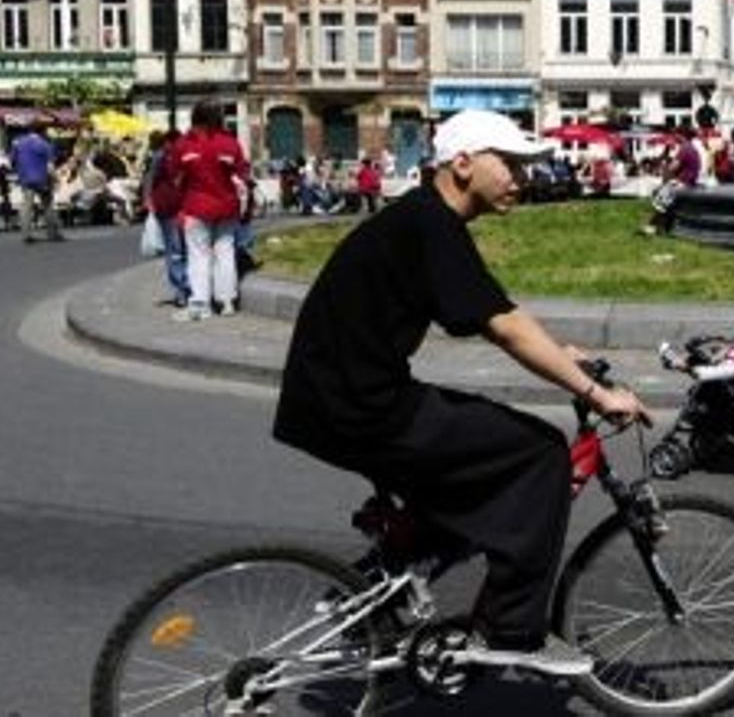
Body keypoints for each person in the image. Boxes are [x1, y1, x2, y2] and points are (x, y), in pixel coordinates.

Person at [272, 108, 649, 677]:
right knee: (539, 453)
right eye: (512, 164)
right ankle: (514, 632)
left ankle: (382, 579)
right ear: (463, 163)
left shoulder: (422, 219)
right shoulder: (432, 225)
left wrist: (558, 353)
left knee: (470, 467)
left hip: (334, 399)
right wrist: (596, 394)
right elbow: (504, 326)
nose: (522, 178)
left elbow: (488, 312)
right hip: (363, 407)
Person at [172, 100, 249, 321]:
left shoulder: (184, 145)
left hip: (196, 206)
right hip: (227, 206)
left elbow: (176, 179)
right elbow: (242, 173)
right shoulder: (230, 143)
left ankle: (200, 304)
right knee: (225, 251)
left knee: (199, 255)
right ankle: (226, 302)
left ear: (194, 117)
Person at [141, 130, 190, 308]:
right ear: (168, 143)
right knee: (176, 249)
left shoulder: (182, 157)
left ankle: (185, 287)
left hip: (181, 206)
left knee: (181, 248)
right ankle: (182, 289)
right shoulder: (161, 157)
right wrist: (148, 200)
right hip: (168, 207)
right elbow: (149, 179)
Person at [9, 120, 61, 243]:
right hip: (42, 178)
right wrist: (56, 179)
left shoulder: (18, 143)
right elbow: (50, 167)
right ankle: (52, 233)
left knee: (27, 206)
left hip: (25, 178)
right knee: (47, 205)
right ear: (43, 131)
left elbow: (12, 161)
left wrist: (20, 170)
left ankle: (26, 234)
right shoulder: (45, 144)